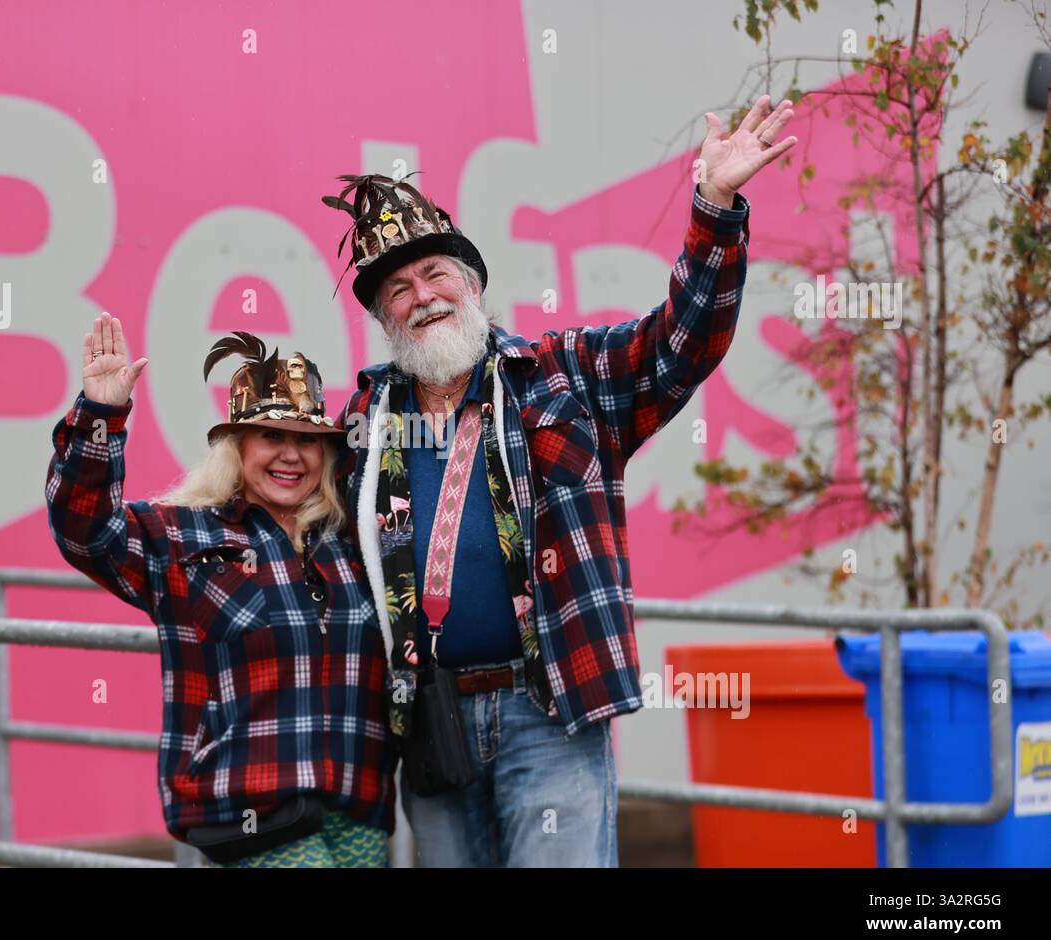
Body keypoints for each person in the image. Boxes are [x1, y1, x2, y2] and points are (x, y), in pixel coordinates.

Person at [323, 96, 798, 866]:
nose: (422, 296)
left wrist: (714, 206)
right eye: (398, 290)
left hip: (550, 711)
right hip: (431, 723)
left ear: (473, 285)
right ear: (384, 318)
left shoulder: (563, 377)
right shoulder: (365, 426)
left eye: (436, 273)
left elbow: (682, 341)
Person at [46, 314, 395, 867]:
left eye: (307, 440)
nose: (291, 454)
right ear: (235, 446)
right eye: (270, 436)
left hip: (357, 802)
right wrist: (101, 416)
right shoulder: (183, 535)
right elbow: (84, 532)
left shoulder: (352, 541)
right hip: (248, 803)